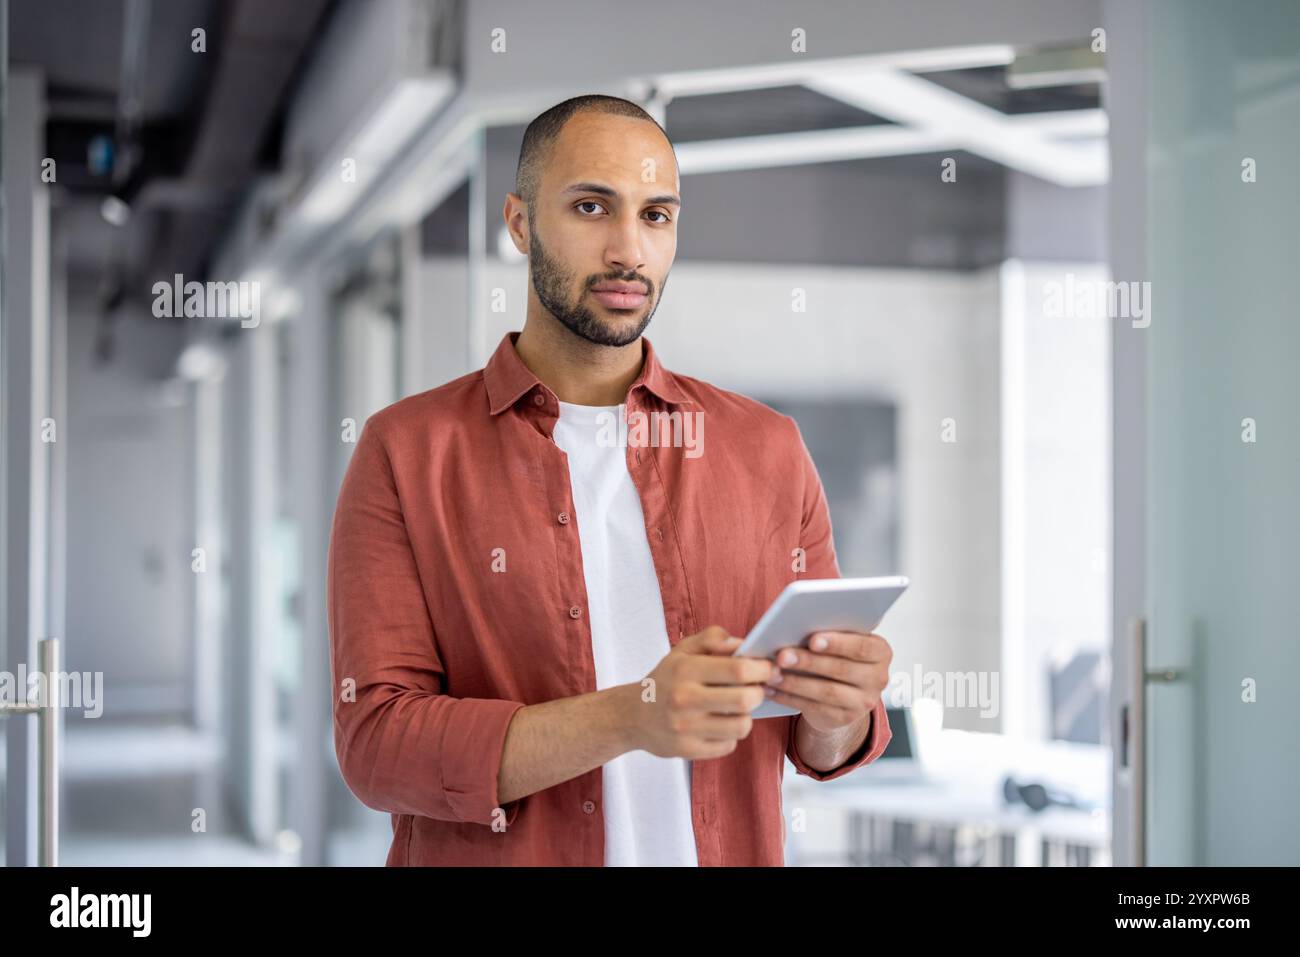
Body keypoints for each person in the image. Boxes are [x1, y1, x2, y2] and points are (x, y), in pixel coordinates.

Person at [327, 94, 893, 866]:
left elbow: (819, 744)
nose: (629, 249)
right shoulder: (406, 452)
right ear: (520, 223)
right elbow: (378, 744)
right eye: (593, 207)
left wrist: (842, 708)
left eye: (657, 215)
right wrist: (632, 717)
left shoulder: (767, 449)